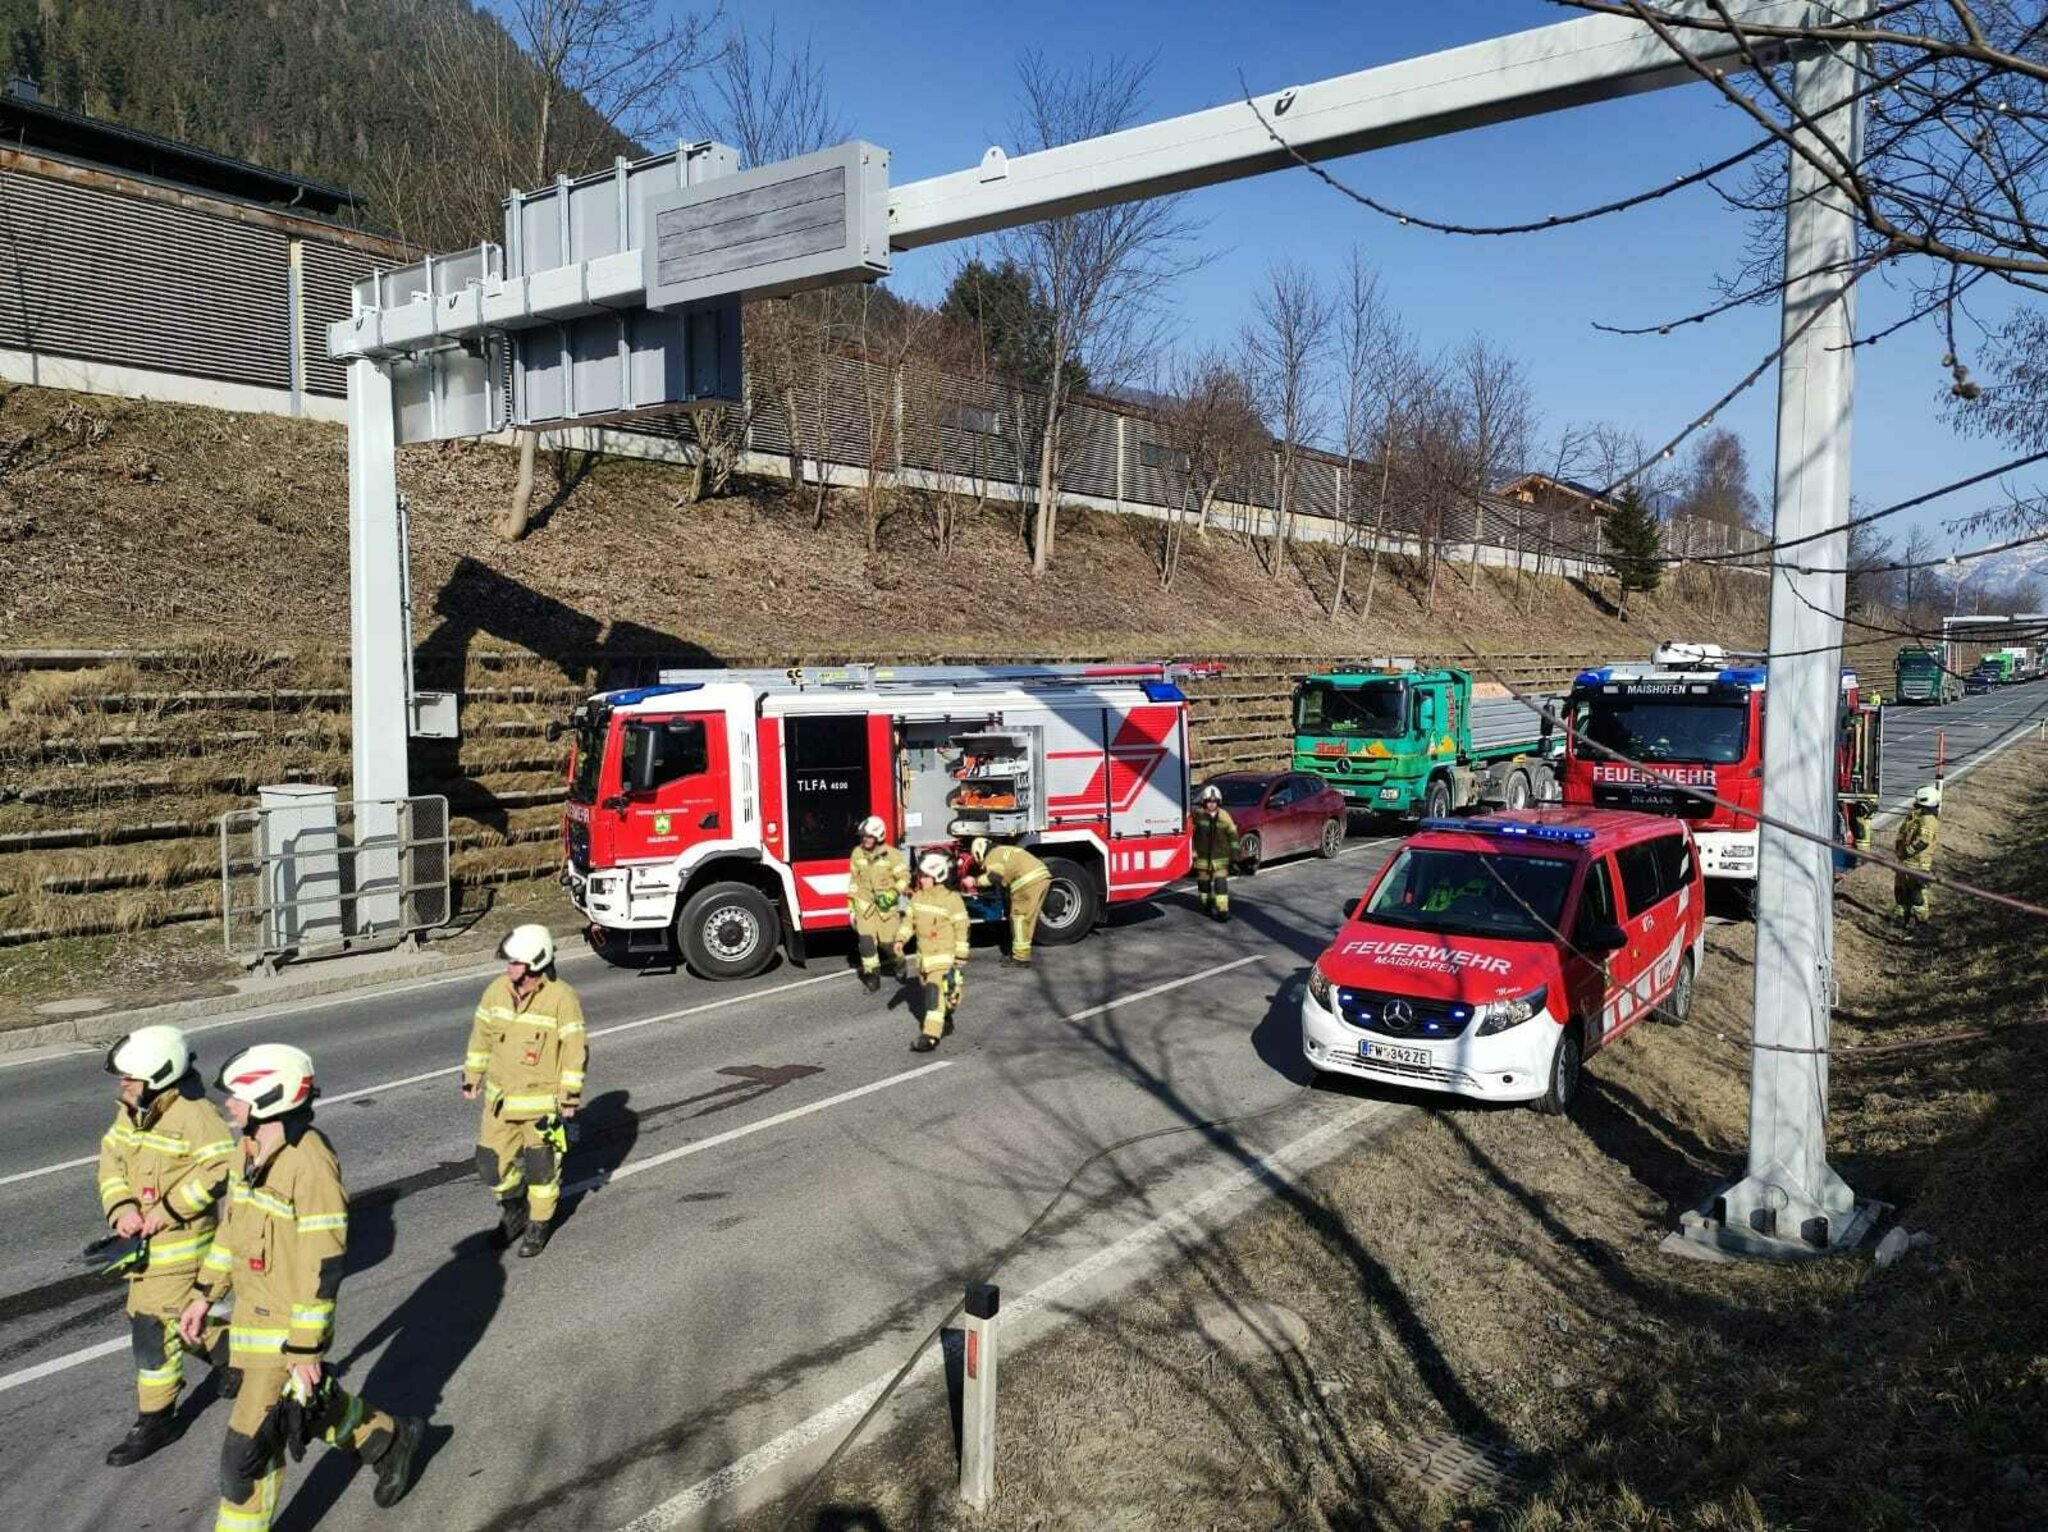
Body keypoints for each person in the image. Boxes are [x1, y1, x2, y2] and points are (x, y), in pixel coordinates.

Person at [179, 1043, 424, 1527]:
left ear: (270, 1098)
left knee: (245, 1458)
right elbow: (231, 1231)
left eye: (237, 1096)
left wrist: (306, 1349)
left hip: (288, 1329)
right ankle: (388, 1440)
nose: (227, 1104)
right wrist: (203, 1295)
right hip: (254, 1318)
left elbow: (324, 1264)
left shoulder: (310, 1164)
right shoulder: (246, 1149)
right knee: (301, 1409)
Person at [94, 1024, 238, 1466]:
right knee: (167, 1319)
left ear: (159, 1076)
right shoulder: (135, 1108)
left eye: (130, 1077)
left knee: (152, 1327)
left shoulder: (195, 1114)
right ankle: (239, 1358)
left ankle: (157, 1419)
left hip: (181, 1243)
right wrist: (121, 1209)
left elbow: (219, 1169)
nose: (123, 1084)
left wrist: (168, 1210)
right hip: (145, 1244)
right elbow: (112, 1161)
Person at [463, 923, 587, 1257]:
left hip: (541, 1106)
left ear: (536, 961)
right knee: (490, 1163)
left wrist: (569, 1096)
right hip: (500, 1103)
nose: (509, 968)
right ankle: (514, 1208)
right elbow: (482, 1036)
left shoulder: (561, 997)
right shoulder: (496, 991)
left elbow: (574, 1049)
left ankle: (539, 1223)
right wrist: (472, 1075)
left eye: (515, 962)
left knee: (542, 1169)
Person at [903, 850, 971, 1052]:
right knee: (943, 996)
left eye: (924, 876)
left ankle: (930, 1036)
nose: (920, 879)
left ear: (937, 876)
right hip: (925, 961)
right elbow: (909, 921)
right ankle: (947, 1016)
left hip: (944, 959)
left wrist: (961, 955)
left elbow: (962, 928)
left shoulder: (952, 899)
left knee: (933, 994)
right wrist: (900, 939)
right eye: (920, 876)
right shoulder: (917, 898)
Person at [848, 815, 910, 993]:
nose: (864, 839)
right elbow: (854, 881)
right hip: (865, 908)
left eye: (868, 836)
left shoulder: (893, 856)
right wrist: (851, 908)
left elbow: (905, 878)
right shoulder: (857, 854)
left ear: (879, 836)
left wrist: (892, 894)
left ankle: (899, 963)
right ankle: (872, 978)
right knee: (866, 943)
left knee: (888, 945)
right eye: (863, 836)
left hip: (886, 910)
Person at [968, 836, 1051, 966]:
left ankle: (1020, 958)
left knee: (1019, 919)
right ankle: (1022, 953)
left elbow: (994, 877)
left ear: (979, 853)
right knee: (1029, 919)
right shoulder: (1004, 849)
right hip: (1042, 876)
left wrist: (974, 881)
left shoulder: (992, 856)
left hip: (1027, 881)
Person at [1894, 783, 1941, 927]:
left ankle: (1922, 922)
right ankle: (1902, 918)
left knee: (1917, 894)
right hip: (1906, 862)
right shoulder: (1916, 816)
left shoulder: (1929, 820)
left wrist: (1906, 851)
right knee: (1901, 891)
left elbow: (1923, 841)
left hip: (1918, 863)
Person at [1191, 785, 1240, 922]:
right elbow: (1189, 834)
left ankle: (1223, 910)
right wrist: (1192, 851)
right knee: (1204, 884)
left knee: (1220, 884)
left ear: (1218, 802)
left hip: (1220, 857)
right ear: (1203, 802)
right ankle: (1206, 905)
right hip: (1202, 857)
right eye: (1209, 801)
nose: (1212, 804)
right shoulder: (1197, 815)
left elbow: (1233, 836)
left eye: (1214, 801)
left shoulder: (1224, 816)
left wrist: (1235, 855)